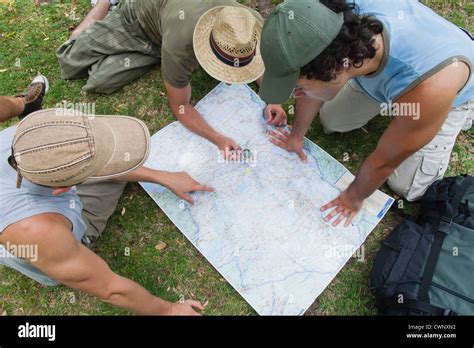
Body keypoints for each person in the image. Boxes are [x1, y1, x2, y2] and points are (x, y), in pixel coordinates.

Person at [0, 76, 214, 315]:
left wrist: (161, 176)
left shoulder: (29, 132)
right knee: (112, 183)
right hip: (38, 248)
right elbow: (111, 290)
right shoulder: (41, 233)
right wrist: (169, 311)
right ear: (62, 189)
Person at [259, 0, 473, 227]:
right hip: (377, 73)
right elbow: (312, 81)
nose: (297, 94)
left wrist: (353, 198)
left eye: (300, 88)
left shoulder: (431, 89)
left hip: (445, 91)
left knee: (407, 187)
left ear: (333, 71)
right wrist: (296, 136)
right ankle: (396, 102)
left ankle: (464, 112)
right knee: (333, 121)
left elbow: (385, 160)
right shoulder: (329, 25)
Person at [56, 0, 287, 159]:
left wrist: (272, 97)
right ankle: (108, 3)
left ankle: (155, 50)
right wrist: (217, 138)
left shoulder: (247, 25)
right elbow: (181, 106)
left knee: (101, 79)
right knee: (70, 61)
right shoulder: (182, 45)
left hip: (168, 30)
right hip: (138, 19)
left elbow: (252, 62)